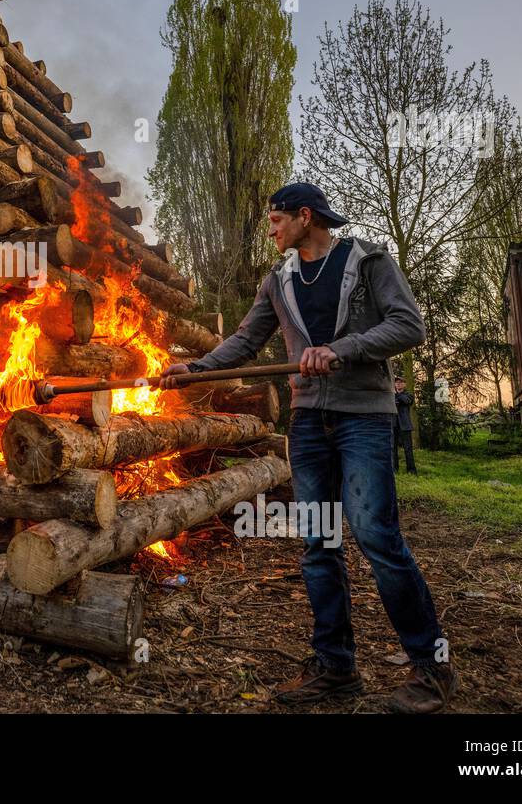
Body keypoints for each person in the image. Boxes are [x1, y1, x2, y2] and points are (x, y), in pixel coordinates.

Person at [160, 182, 456, 713]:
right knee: (318, 543)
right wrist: (196, 369)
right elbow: (247, 340)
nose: (270, 229)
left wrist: (341, 350)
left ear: (304, 216)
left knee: (376, 537)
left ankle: (431, 669)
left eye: (275, 219)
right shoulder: (278, 280)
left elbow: (409, 325)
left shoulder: (367, 261)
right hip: (308, 422)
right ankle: (335, 667)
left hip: (363, 418)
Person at [394, 377, 418, 474]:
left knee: (408, 449)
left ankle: (411, 470)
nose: (398, 384)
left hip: (405, 425)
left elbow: (407, 401)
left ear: (405, 384)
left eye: (400, 382)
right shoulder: (391, 394)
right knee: (393, 449)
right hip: (393, 425)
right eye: (396, 382)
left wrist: (397, 395)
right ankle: (394, 469)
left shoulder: (409, 394)